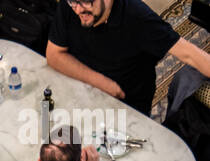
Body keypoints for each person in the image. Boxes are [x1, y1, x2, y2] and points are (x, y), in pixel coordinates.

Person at [46, 0, 210, 117]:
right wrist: (102, 83)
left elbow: (191, 55)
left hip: (125, 107)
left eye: (86, 2)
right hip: (81, 89)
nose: (77, 10)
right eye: (73, 2)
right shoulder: (72, 5)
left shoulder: (139, 18)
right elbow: (54, 55)